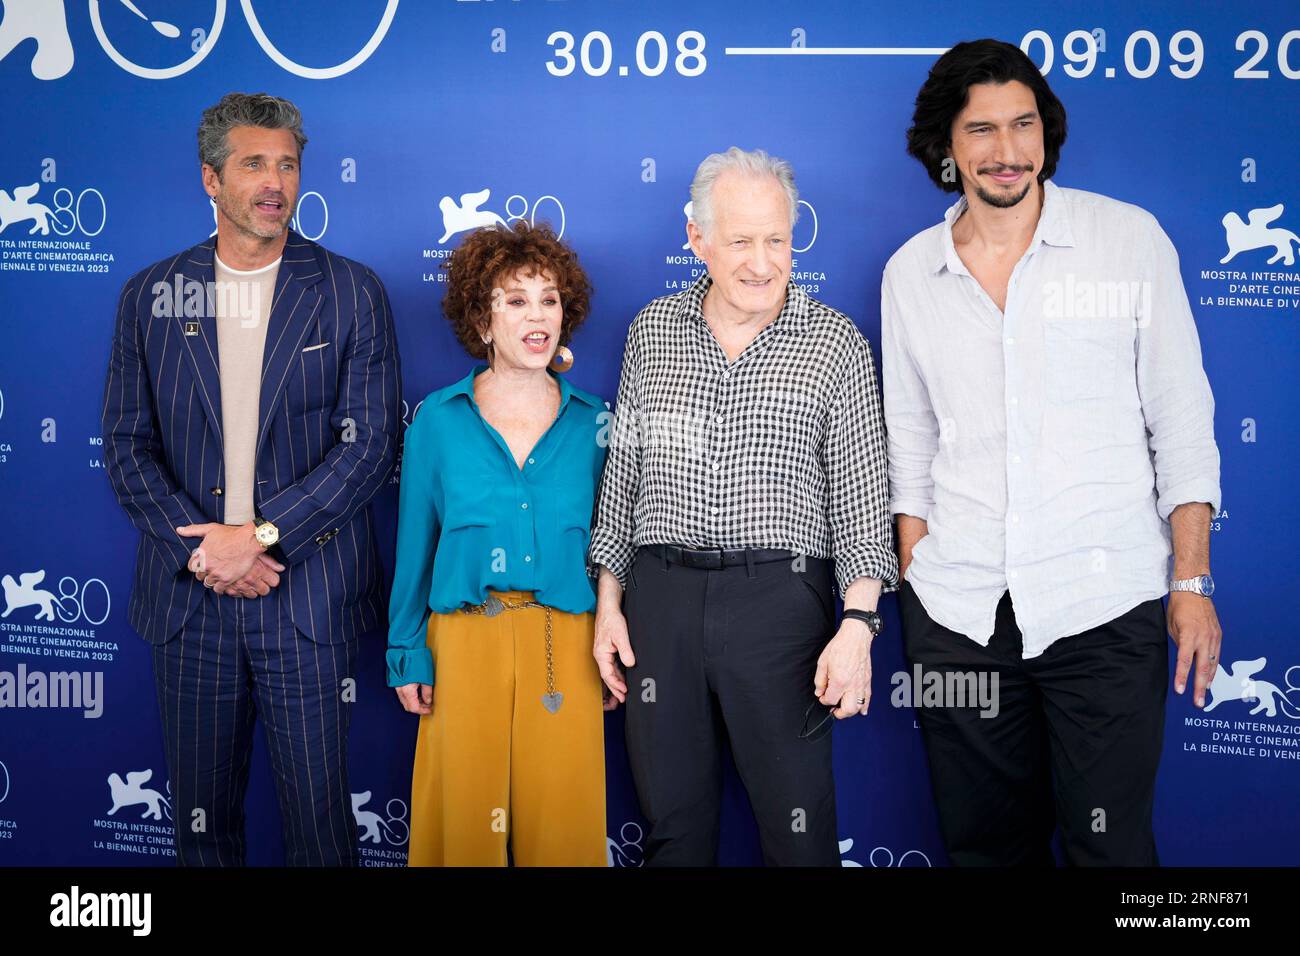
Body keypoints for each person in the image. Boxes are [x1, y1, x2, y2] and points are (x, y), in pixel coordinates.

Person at [882, 39, 1223, 866]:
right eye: (982, 130)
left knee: (1110, 850)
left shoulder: (1127, 241)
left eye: (1023, 125)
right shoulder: (909, 274)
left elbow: (1181, 421)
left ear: (1046, 134)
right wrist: (921, 574)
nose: (1007, 151)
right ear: (946, 148)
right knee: (983, 849)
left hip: (1102, 608)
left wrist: (1189, 583)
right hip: (958, 616)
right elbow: (912, 442)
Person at [100, 92, 402, 866]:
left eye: (289, 164)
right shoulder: (151, 296)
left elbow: (367, 450)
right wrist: (208, 553)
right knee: (202, 829)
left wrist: (259, 538)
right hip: (190, 600)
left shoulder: (350, 290)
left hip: (304, 602)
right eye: (254, 163)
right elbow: (128, 449)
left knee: (320, 830)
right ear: (211, 179)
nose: (276, 182)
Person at [588, 147, 898, 866]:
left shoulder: (836, 346)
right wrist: (610, 605)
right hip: (658, 603)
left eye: (777, 240)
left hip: (780, 609)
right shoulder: (651, 332)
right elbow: (623, 481)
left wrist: (857, 630)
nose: (762, 262)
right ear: (695, 239)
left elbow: (862, 510)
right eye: (740, 241)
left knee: (800, 840)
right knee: (675, 835)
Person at [387, 221, 608, 866]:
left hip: (564, 646)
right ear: (482, 322)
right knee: (461, 835)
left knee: (563, 833)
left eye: (549, 300)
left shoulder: (596, 423)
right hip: (462, 643)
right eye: (515, 300)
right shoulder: (437, 419)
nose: (536, 316)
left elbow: (616, 547)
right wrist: (406, 652)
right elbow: (413, 547)